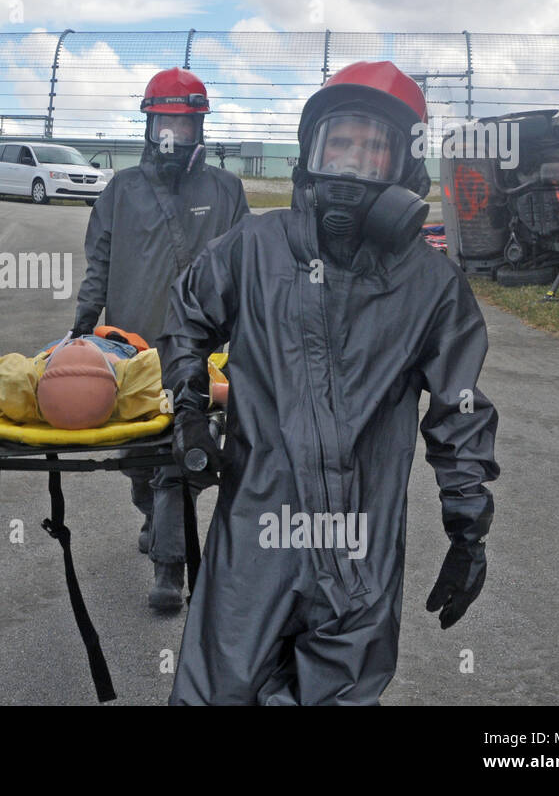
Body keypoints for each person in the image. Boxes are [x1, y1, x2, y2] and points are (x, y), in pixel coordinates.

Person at [160, 60, 499, 704]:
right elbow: (186, 317)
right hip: (254, 540)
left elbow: (460, 412)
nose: (351, 163)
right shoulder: (254, 249)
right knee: (216, 694)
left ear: (403, 168)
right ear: (310, 153)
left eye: (373, 148)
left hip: (360, 556)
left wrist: (468, 526)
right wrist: (190, 409)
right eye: (338, 142)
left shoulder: (431, 288)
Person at [72, 67, 249, 611]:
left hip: (200, 353)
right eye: (164, 121)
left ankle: (170, 570)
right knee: (140, 461)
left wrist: (251, 337)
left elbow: (247, 267)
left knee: (180, 454)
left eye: (185, 123)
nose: (173, 133)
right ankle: (149, 510)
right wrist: (81, 329)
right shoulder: (122, 189)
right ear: (149, 126)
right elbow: (98, 261)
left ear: (200, 129)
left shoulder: (226, 189)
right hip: (132, 348)